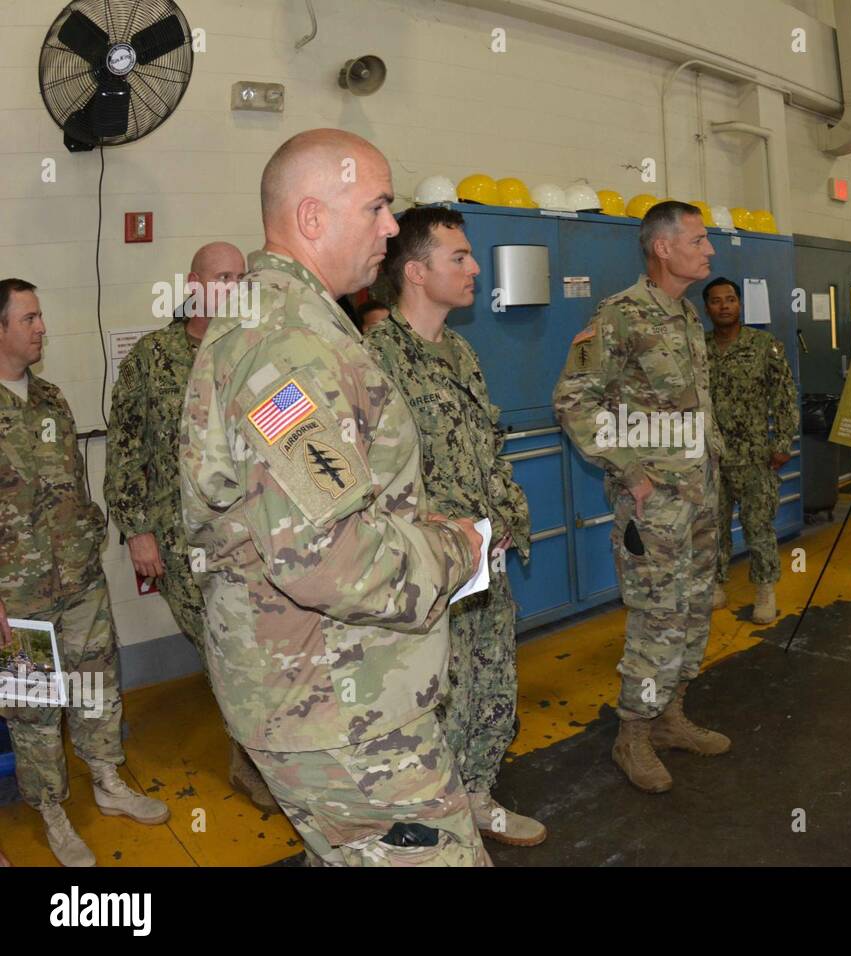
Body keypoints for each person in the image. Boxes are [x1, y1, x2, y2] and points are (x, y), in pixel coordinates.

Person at [179, 129, 488, 866]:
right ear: (313, 218)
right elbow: (326, 559)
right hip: (335, 703)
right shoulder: (288, 345)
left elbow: (325, 506)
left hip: (324, 684)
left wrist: (412, 521)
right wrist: (457, 549)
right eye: (378, 206)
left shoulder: (291, 323)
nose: (391, 227)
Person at [365, 205, 544, 846]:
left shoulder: (461, 350)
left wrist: (505, 518)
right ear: (416, 271)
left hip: (484, 554)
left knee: (491, 679)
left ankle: (478, 794)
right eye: (459, 258)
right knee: (434, 695)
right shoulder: (375, 360)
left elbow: (482, 440)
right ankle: (437, 820)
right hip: (428, 566)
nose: (474, 269)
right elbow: (370, 477)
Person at [552, 201, 728, 794]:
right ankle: (634, 734)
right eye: (699, 240)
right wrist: (631, 474)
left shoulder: (686, 316)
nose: (708, 250)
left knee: (697, 608)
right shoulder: (620, 315)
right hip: (654, 506)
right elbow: (574, 400)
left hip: (701, 494)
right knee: (658, 617)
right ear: (663, 248)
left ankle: (671, 716)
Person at [0, 278, 170, 867]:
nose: (42, 327)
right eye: (29, 319)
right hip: (15, 595)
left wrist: (91, 540)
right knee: (34, 706)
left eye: (41, 316)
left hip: (79, 580)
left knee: (97, 683)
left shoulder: (49, 399)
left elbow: (71, 478)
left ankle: (107, 779)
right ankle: (51, 811)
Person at [104, 242, 276, 814]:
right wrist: (136, 531)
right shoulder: (153, 358)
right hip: (181, 539)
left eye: (240, 277)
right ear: (194, 283)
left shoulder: (252, 350)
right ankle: (250, 761)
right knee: (222, 648)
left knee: (254, 649)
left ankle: (260, 754)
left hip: (251, 532)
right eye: (222, 276)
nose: (233, 286)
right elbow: (125, 448)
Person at [702, 276, 798, 624]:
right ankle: (715, 584)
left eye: (730, 299)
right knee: (712, 527)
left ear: (739, 304)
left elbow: (785, 396)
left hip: (756, 457)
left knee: (758, 526)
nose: (724, 305)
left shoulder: (763, 345)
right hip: (711, 459)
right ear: (707, 307)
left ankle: (764, 591)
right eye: (716, 300)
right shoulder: (699, 348)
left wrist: (783, 442)